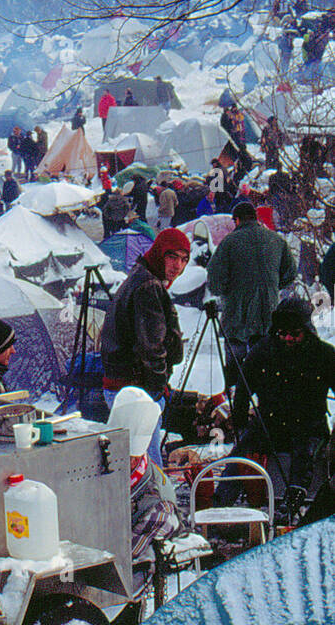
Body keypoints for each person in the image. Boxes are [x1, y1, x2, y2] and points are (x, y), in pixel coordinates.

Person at [219, 298, 335, 507]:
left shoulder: (324, 354)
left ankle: (294, 502)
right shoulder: (263, 351)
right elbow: (243, 391)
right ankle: (219, 505)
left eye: (295, 333)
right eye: (283, 333)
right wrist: (240, 423)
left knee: (304, 456)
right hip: (269, 424)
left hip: (310, 427)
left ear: (307, 330)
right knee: (240, 454)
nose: (288, 338)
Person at [100, 228, 191, 467]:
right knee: (147, 468)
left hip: (128, 385)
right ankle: (155, 504)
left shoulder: (143, 276)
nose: (178, 266)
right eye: (172, 257)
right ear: (160, 254)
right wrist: (157, 388)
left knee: (137, 463)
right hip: (136, 390)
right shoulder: (148, 286)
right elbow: (151, 347)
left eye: (184, 259)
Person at [207, 199, 297, 388]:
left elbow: (214, 282)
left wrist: (229, 291)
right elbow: (290, 274)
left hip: (236, 317)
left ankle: (236, 408)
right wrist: (272, 288)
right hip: (269, 316)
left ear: (237, 220)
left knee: (235, 371)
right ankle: (264, 408)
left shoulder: (229, 242)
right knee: (267, 367)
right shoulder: (276, 240)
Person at [106, 386, 185, 584]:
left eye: (128, 458)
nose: (122, 462)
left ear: (136, 459)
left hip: (135, 559)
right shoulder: (122, 462)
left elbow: (121, 556)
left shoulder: (157, 508)